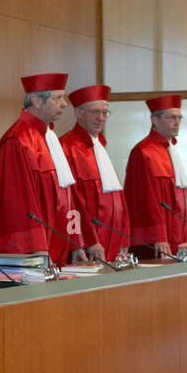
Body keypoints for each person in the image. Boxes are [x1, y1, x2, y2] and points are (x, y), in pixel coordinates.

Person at [0, 73, 87, 264]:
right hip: (36, 254)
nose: (65, 104)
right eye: (57, 98)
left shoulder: (50, 139)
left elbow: (68, 197)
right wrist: (37, 249)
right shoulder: (17, 141)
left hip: (59, 246)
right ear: (36, 101)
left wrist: (75, 240)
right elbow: (18, 205)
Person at [60, 85, 131, 261]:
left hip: (113, 240)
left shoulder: (100, 147)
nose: (101, 118)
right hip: (90, 245)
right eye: (95, 112)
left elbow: (119, 199)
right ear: (78, 113)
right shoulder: (67, 147)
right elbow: (70, 203)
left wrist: (123, 238)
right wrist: (80, 242)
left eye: (105, 113)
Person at [124, 95, 187, 258]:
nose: (177, 123)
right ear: (155, 120)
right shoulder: (143, 151)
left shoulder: (170, 150)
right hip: (155, 240)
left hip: (177, 234)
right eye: (171, 118)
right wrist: (159, 235)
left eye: (179, 118)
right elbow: (145, 199)